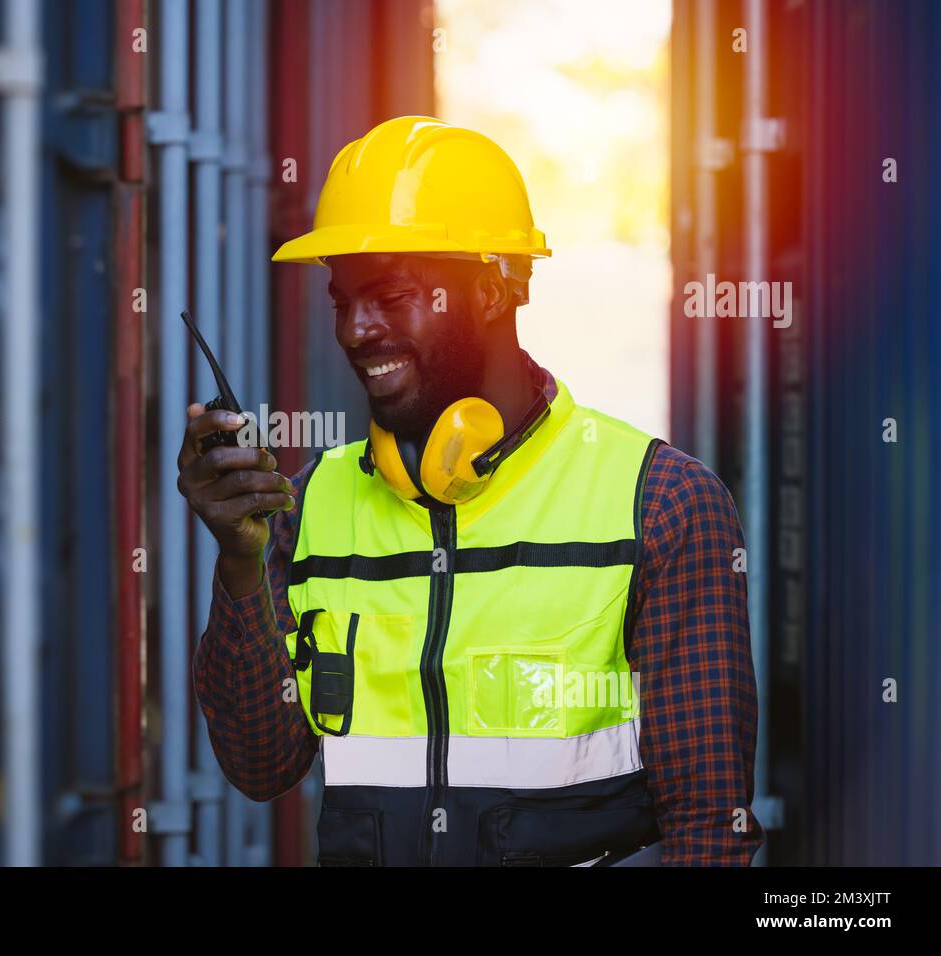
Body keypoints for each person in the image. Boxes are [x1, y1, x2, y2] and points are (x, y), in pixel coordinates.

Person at [177, 115, 762, 866]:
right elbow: (262, 767)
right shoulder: (310, 504)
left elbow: (711, 832)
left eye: (391, 296)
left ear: (491, 289)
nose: (355, 330)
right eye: (341, 300)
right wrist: (238, 566)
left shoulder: (660, 504)